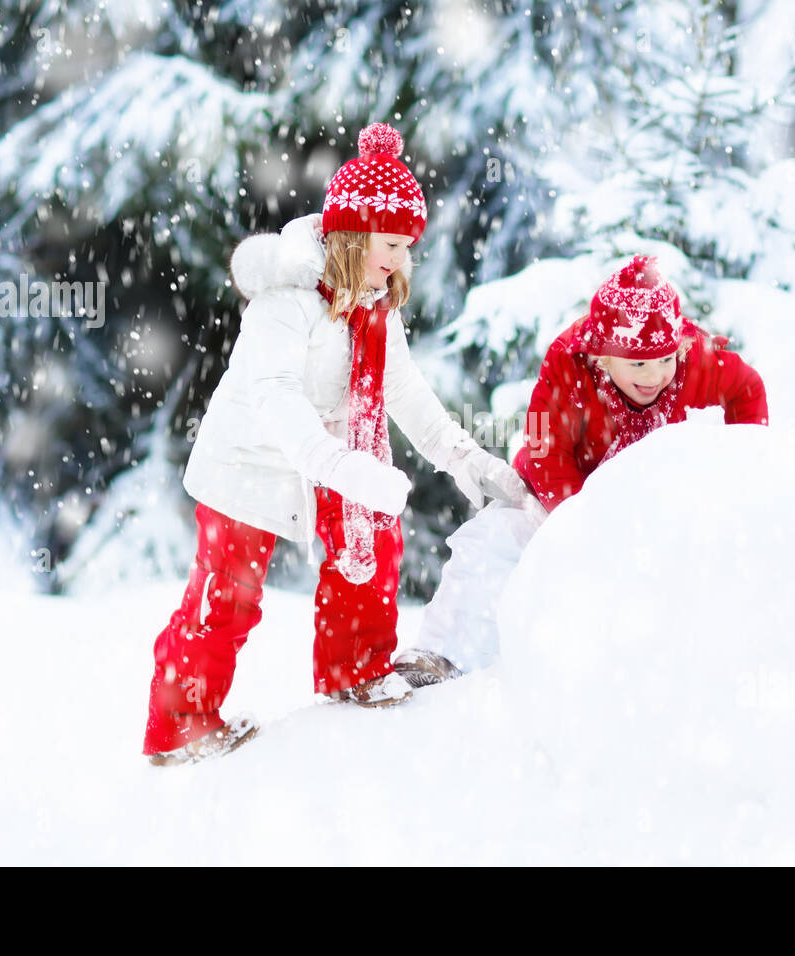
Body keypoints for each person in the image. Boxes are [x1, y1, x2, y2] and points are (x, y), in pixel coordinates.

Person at [141, 123, 526, 766]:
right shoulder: (285, 298)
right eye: (393, 243)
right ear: (353, 231)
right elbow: (275, 394)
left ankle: (357, 670)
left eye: (408, 247)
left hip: (337, 449)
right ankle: (181, 723)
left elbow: (404, 391)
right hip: (252, 457)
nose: (402, 260)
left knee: (370, 539)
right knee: (228, 596)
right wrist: (337, 464)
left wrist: (464, 456)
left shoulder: (377, 303)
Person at [397, 254, 769, 683]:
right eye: (639, 364)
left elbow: (748, 389)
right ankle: (442, 652)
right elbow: (542, 446)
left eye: (665, 360)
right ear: (604, 357)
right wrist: (582, 520)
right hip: (561, 500)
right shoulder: (567, 363)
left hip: (659, 505)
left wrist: (745, 464)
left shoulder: (696, 359)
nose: (656, 375)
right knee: (493, 540)